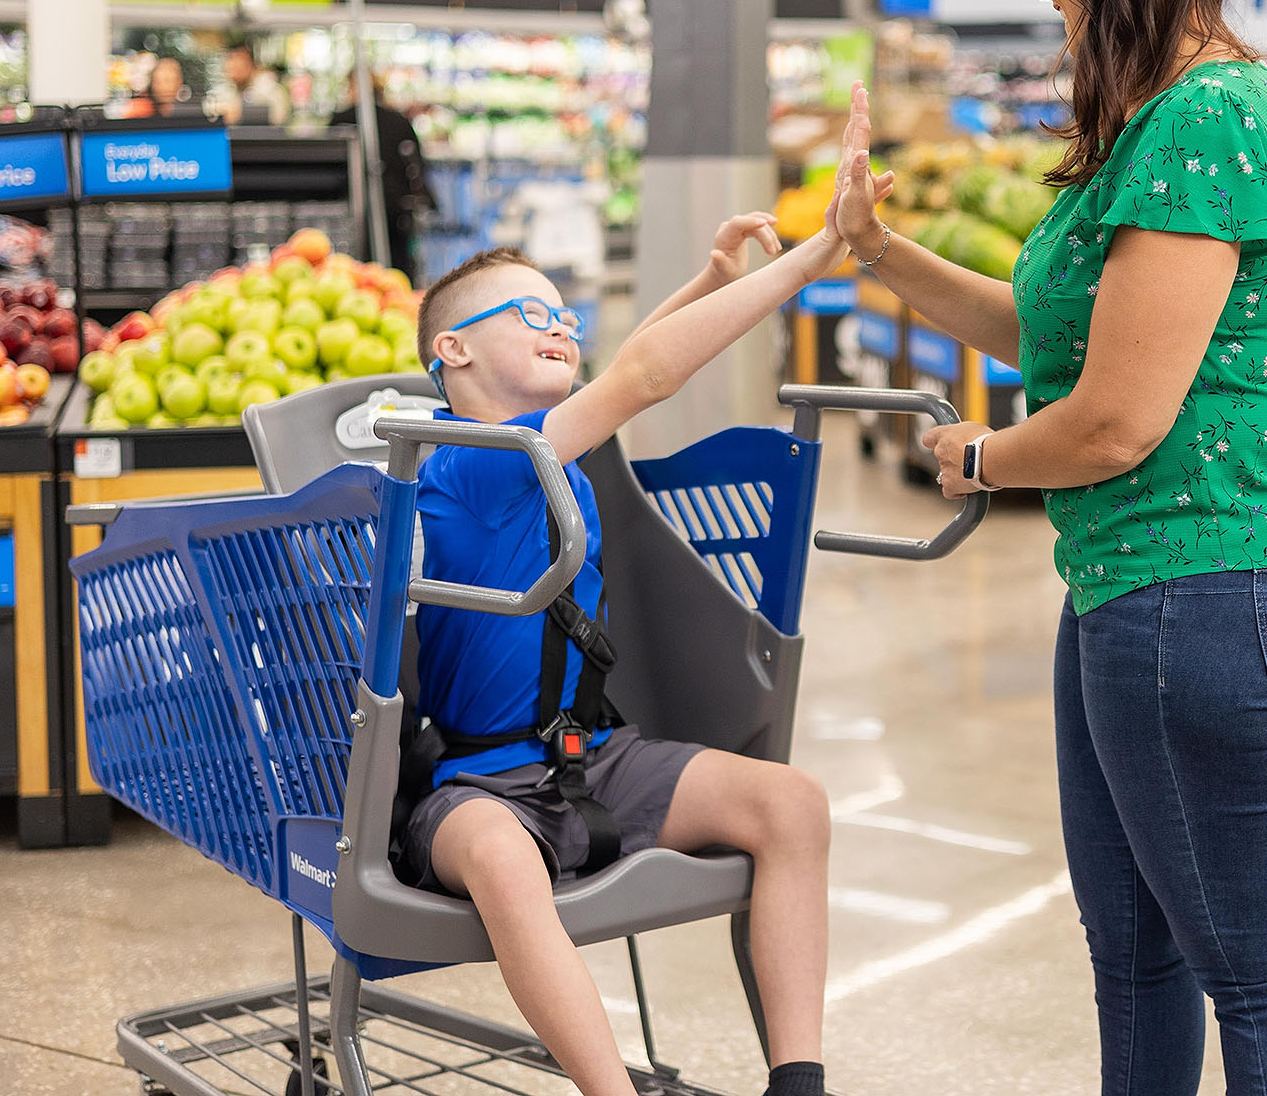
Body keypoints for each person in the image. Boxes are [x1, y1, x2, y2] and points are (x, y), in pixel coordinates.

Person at [829, 0, 1267, 1096]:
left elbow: (1115, 416)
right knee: (1133, 954)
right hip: (1143, 577)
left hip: (1215, 575)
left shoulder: (1200, 119)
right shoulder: (1153, 117)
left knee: (1250, 972)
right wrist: (879, 251)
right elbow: (1059, 331)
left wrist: (976, 457)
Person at [404, 179, 881, 1096]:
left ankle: (799, 1081)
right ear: (453, 349)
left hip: (593, 760)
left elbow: (625, 366)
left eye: (564, 314)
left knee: (794, 804)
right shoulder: (468, 458)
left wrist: (707, 283)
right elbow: (645, 375)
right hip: (475, 786)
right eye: (531, 312)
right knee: (504, 860)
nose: (560, 326)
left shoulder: (548, 444)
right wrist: (808, 262)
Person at [334, 72, 429, 282]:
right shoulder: (398, 121)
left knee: (357, 271)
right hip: (397, 209)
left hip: (352, 207)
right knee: (398, 272)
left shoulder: (342, 120)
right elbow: (418, 164)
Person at [215, 42, 290, 126]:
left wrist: (241, 114)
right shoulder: (231, 90)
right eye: (230, 69)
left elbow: (279, 118)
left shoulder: (269, 88)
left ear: (249, 62)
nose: (233, 73)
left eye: (237, 67)